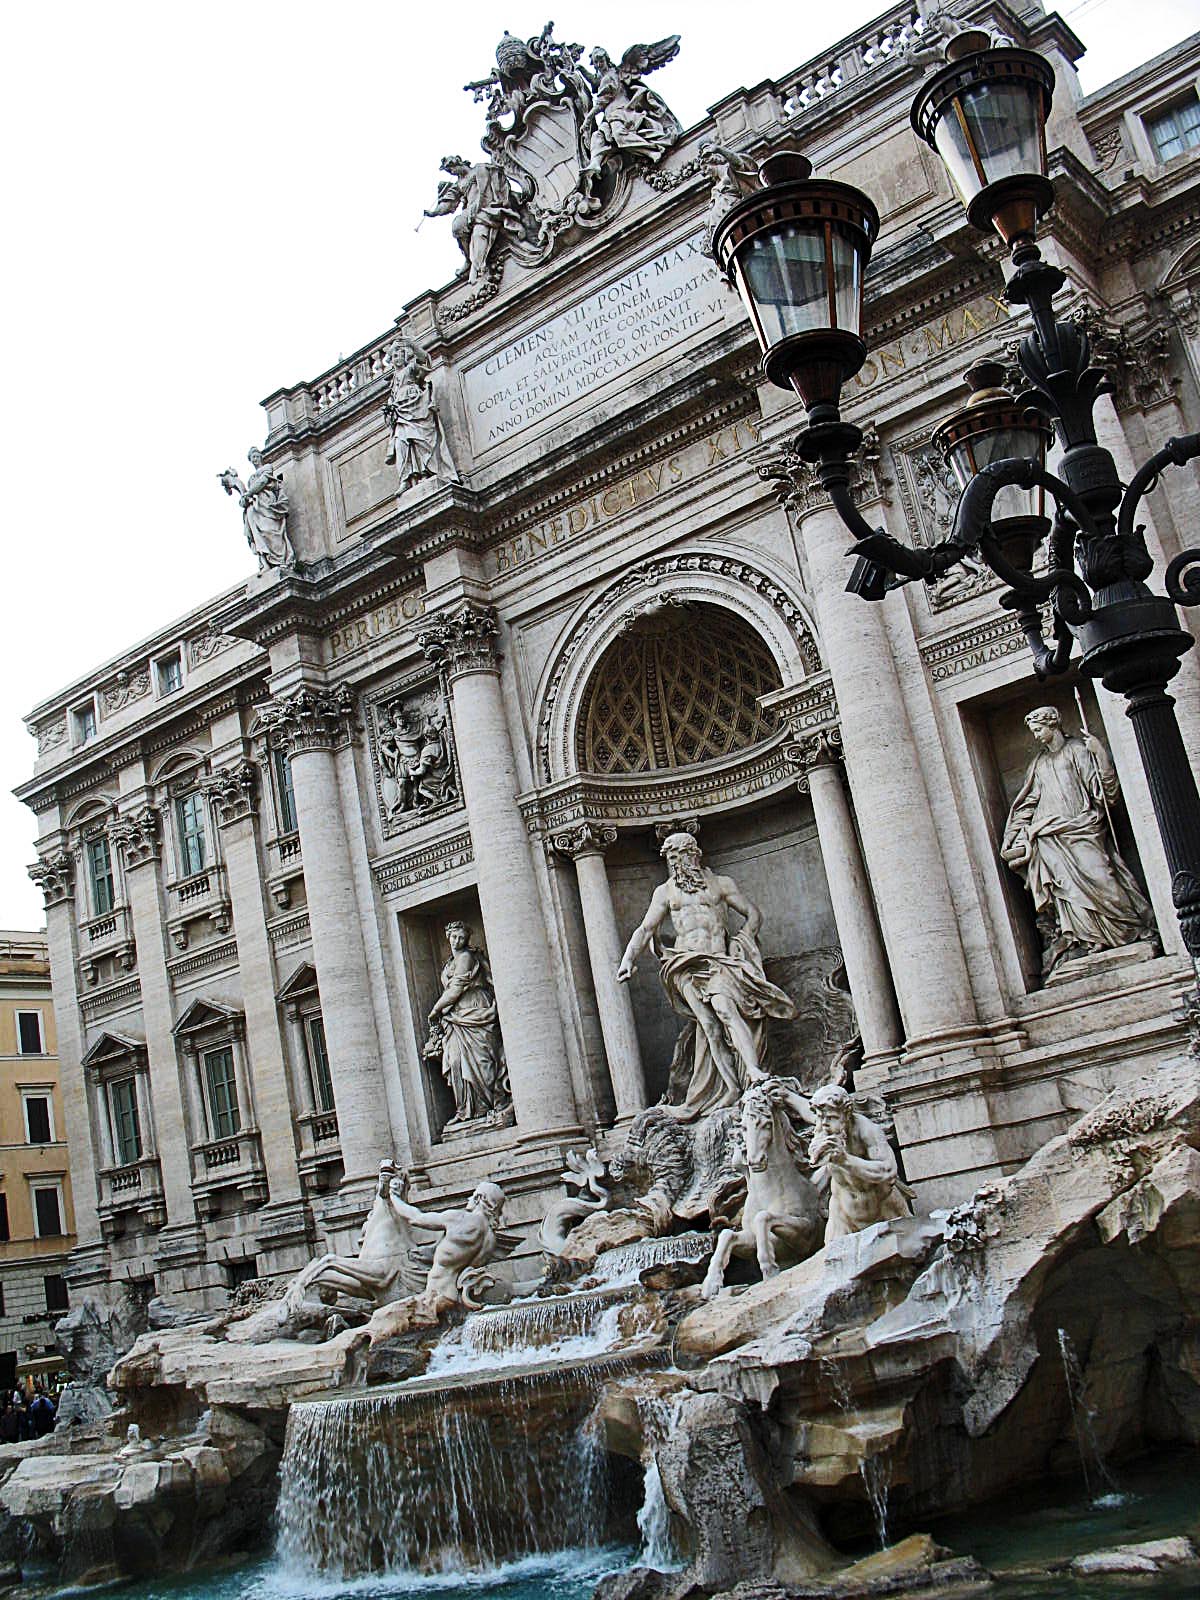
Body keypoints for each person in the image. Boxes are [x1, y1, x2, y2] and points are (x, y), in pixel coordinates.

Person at [617, 833, 797, 1118]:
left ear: (694, 854)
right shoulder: (664, 892)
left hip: (717, 960)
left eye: (679, 856)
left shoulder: (721, 884)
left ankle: (753, 1071)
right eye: (671, 858)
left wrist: (743, 939)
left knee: (726, 1011)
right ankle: (730, 1088)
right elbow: (645, 929)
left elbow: (753, 914)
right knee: (709, 1028)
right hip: (685, 964)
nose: (675, 863)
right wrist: (628, 959)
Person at [1001, 706, 1155, 972]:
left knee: (1104, 879)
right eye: (1034, 731)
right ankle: (1086, 940)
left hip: (1083, 828)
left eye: (1039, 730)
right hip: (1051, 838)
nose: (1037, 736)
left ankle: (1130, 927)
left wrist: (1101, 755)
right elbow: (1028, 802)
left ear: (1053, 725)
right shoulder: (1039, 764)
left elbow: (1104, 794)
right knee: (1067, 891)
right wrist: (1015, 834)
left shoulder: (1078, 751)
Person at [424, 922, 511, 1128]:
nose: (457, 941)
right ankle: (466, 1110)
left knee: (482, 1060)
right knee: (455, 1061)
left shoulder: (466, 958)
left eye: (461, 938)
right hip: (455, 1017)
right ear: (447, 936)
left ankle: (487, 1106)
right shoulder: (448, 964)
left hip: (474, 1008)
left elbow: (456, 988)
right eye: (454, 937)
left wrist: (435, 1011)